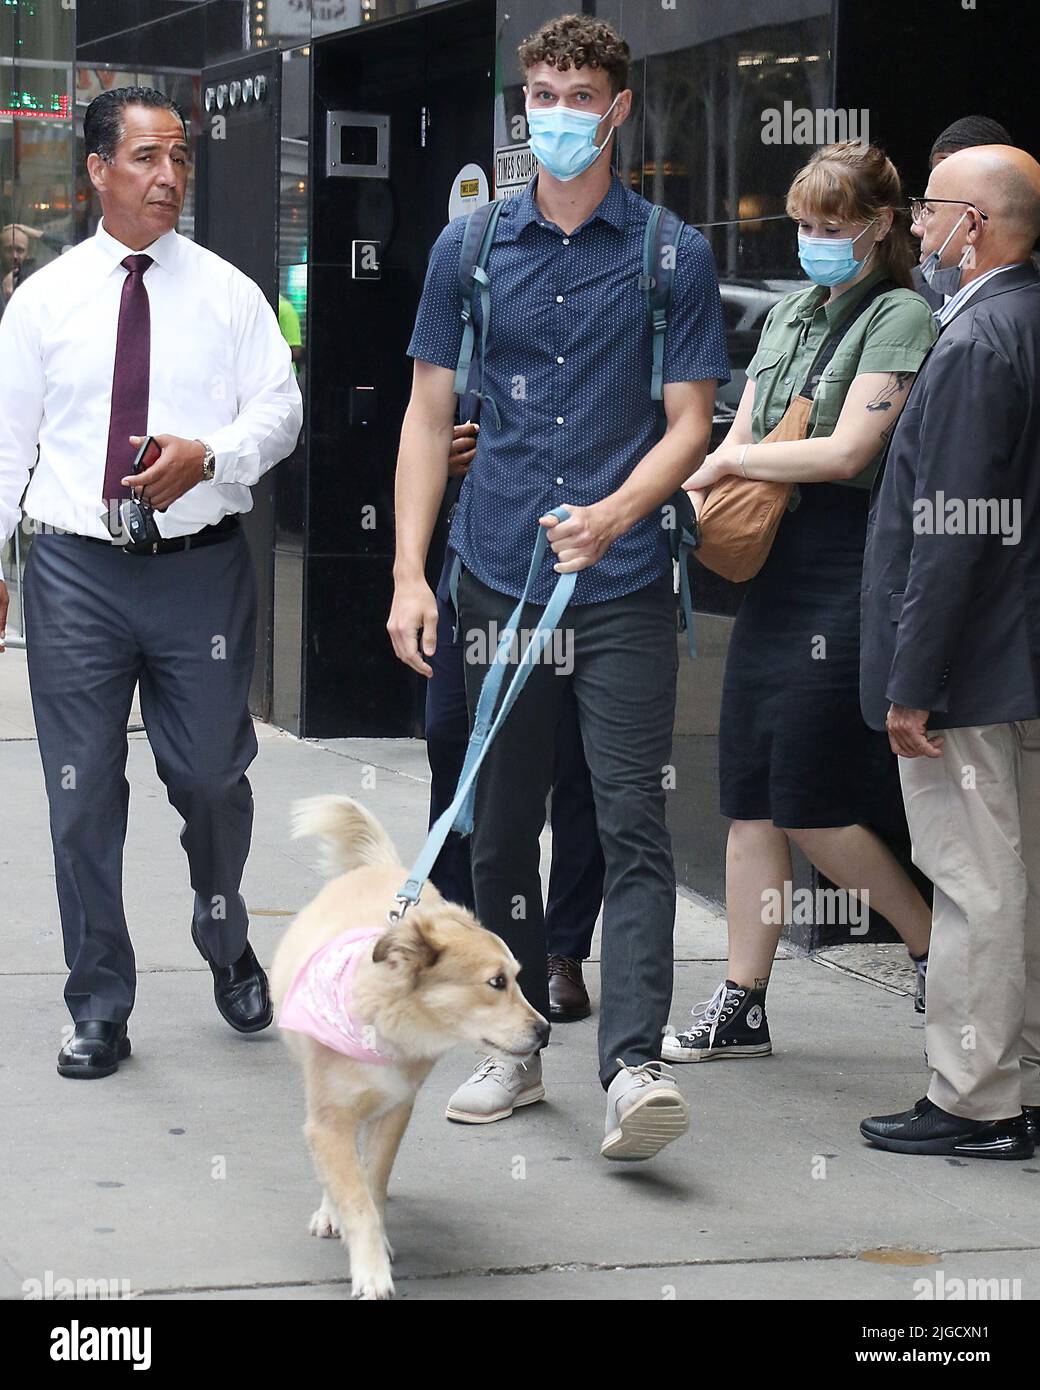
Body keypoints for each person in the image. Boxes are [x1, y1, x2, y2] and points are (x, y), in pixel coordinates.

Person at [388, 13, 727, 1160]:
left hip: (625, 580)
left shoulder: (671, 253)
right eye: (541, 93)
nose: (559, 113)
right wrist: (406, 574)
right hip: (491, 577)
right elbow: (428, 412)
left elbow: (689, 423)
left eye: (580, 94)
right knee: (496, 827)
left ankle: (631, 1066)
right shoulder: (470, 248)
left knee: (633, 823)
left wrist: (618, 513)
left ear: (617, 107)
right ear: (518, 103)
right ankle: (513, 1047)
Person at [0, 87, 303, 1078]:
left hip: (198, 574)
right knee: (82, 796)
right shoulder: (43, 302)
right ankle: (97, 1002)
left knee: (212, 780)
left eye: (178, 158)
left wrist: (208, 454)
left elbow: (279, 414)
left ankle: (226, 939)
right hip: (75, 572)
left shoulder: (227, 293)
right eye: (144, 158)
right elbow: (8, 447)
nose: (169, 176)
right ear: (97, 171)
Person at [663, 142, 936, 1065]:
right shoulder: (790, 315)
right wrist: (688, 501)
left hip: (846, 560)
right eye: (805, 226)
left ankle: (930, 941)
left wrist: (732, 463)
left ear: (882, 225)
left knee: (809, 796)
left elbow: (846, 453)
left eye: (833, 226)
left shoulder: (901, 314)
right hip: (775, 564)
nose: (815, 241)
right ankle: (744, 999)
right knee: (747, 794)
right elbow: (739, 427)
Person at [859, 145, 1040, 1159]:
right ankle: (1015, 1080)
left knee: (972, 883)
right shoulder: (1021, 319)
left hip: (970, 668)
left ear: (971, 224)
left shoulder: (976, 342)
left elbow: (950, 528)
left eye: (928, 211)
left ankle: (974, 1099)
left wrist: (909, 682)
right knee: (1016, 876)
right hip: (1012, 661)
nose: (916, 228)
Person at [425, 420, 604, 1023]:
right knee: (454, 738)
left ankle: (562, 949)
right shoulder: (460, 330)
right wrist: (440, 456)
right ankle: (457, 935)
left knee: (580, 761)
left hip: (586, 565)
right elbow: (418, 428)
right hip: (476, 564)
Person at [912, 117, 1013, 311]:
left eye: (956, 185)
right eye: (938, 183)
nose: (917, 228)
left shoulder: (1029, 294)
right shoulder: (906, 289)